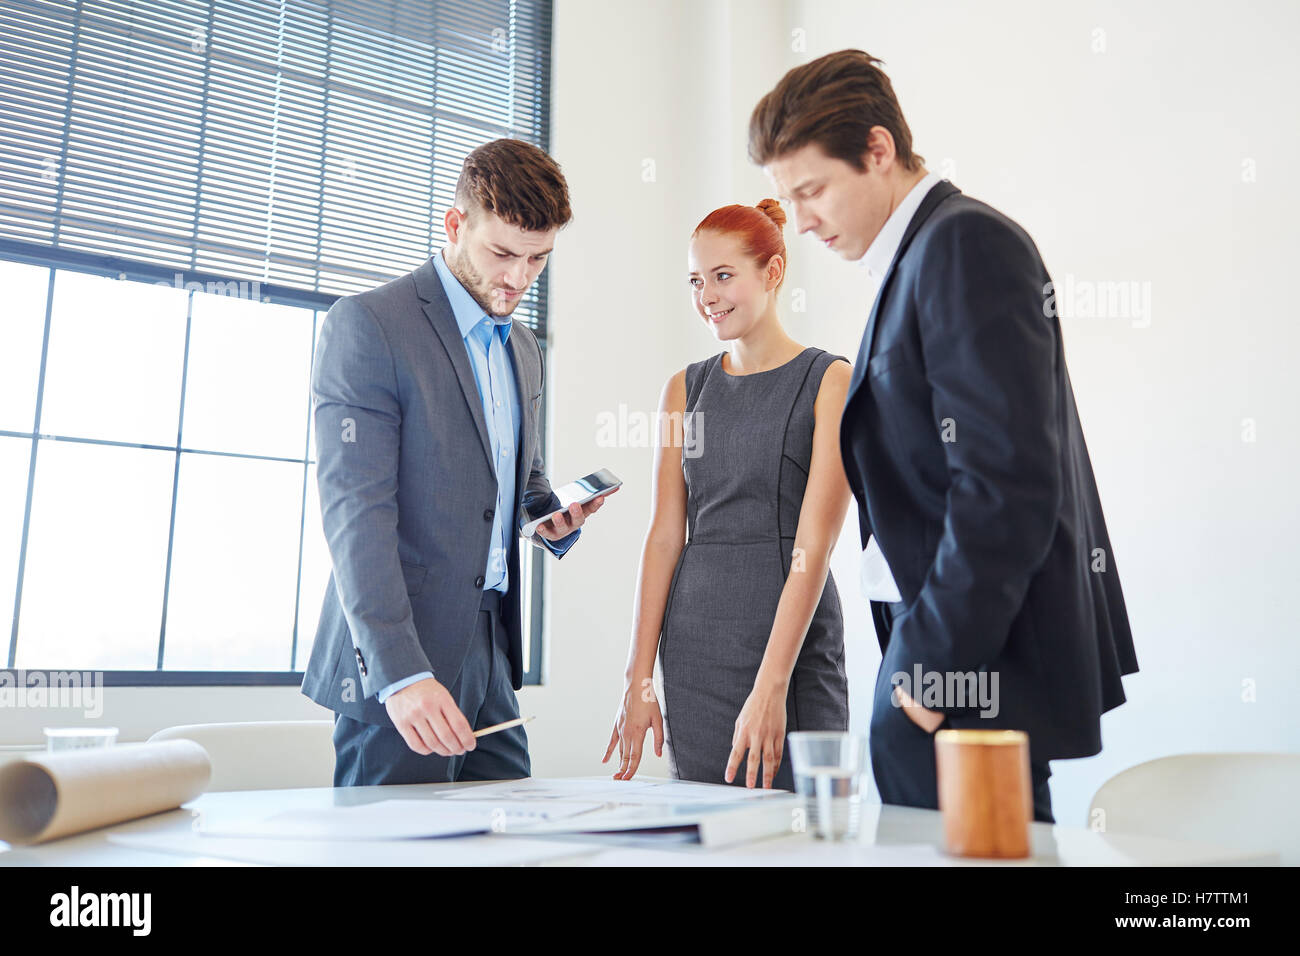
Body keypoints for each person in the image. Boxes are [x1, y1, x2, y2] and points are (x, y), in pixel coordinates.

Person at [749, 49, 1138, 822]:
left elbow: (1007, 487)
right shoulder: (918, 257)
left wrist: (925, 678)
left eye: (813, 190)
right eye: (787, 199)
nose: (801, 221)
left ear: (878, 150)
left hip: (968, 673)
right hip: (948, 668)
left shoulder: (963, 246)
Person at [301, 138, 615, 786]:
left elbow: (513, 481)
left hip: (492, 653)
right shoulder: (369, 326)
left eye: (538, 259)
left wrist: (547, 516)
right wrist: (401, 672)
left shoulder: (523, 347)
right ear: (454, 225)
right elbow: (354, 516)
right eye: (502, 253)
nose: (518, 278)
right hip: (399, 652)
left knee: (511, 842)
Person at [604, 199, 853, 790]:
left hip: (790, 650)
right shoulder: (682, 389)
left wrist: (770, 687)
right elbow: (665, 537)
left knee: (800, 831)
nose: (707, 296)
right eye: (696, 280)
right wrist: (640, 679)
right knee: (701, 830)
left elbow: (814, 549)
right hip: (694, 648)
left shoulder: (831, 381)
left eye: (723, 276)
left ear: (772, 272)